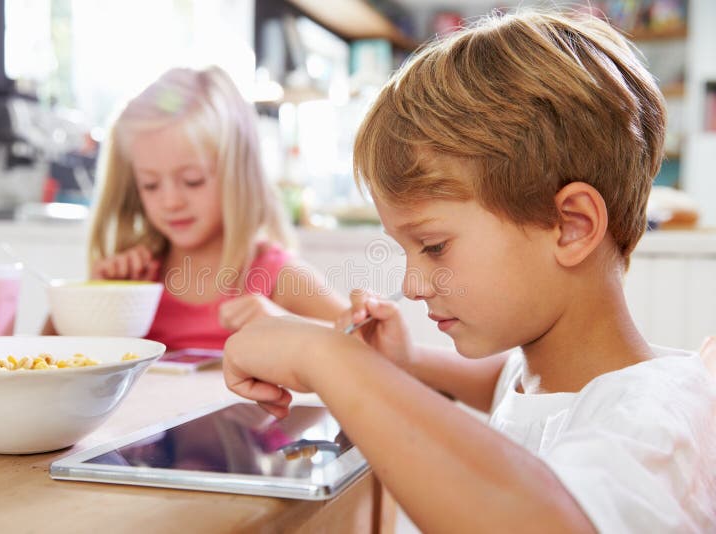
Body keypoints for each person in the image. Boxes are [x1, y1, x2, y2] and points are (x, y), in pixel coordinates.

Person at [221, 10, 716, 533]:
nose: (412, 285)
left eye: (434, 246)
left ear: (570, 227)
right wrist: (407, 362)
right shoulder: (553, 372)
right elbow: (503, 387)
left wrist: (327, 357)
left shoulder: (658, 421)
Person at [45, 66, 346, 349]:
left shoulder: (278, 276)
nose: (171, 202)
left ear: (237, 175)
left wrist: (287, 326)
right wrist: (91, 299)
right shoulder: (132, 277)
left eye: (193, 181)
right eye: (150, 185)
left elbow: (371, 352)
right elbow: (42, 357)